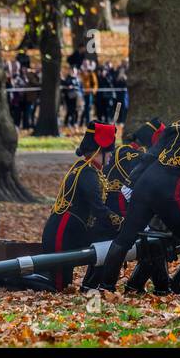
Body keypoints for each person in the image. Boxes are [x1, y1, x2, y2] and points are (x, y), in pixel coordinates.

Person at [96, 83, 180, 293]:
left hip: (144, 186)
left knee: (124, 238)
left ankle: (106, 286)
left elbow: (150, 155)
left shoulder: (176, 126)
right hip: (168, 193)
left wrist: (131, 182)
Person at [41, 121, 120, 291]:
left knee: (105, 240)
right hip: (63, 233)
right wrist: (121, 222)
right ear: (100, 151)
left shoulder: (86, 168)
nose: (111, 156)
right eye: (110, 152)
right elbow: (98, 208)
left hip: (73, 230)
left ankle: (90, 284)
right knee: (58, 287)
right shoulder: (88, 173)